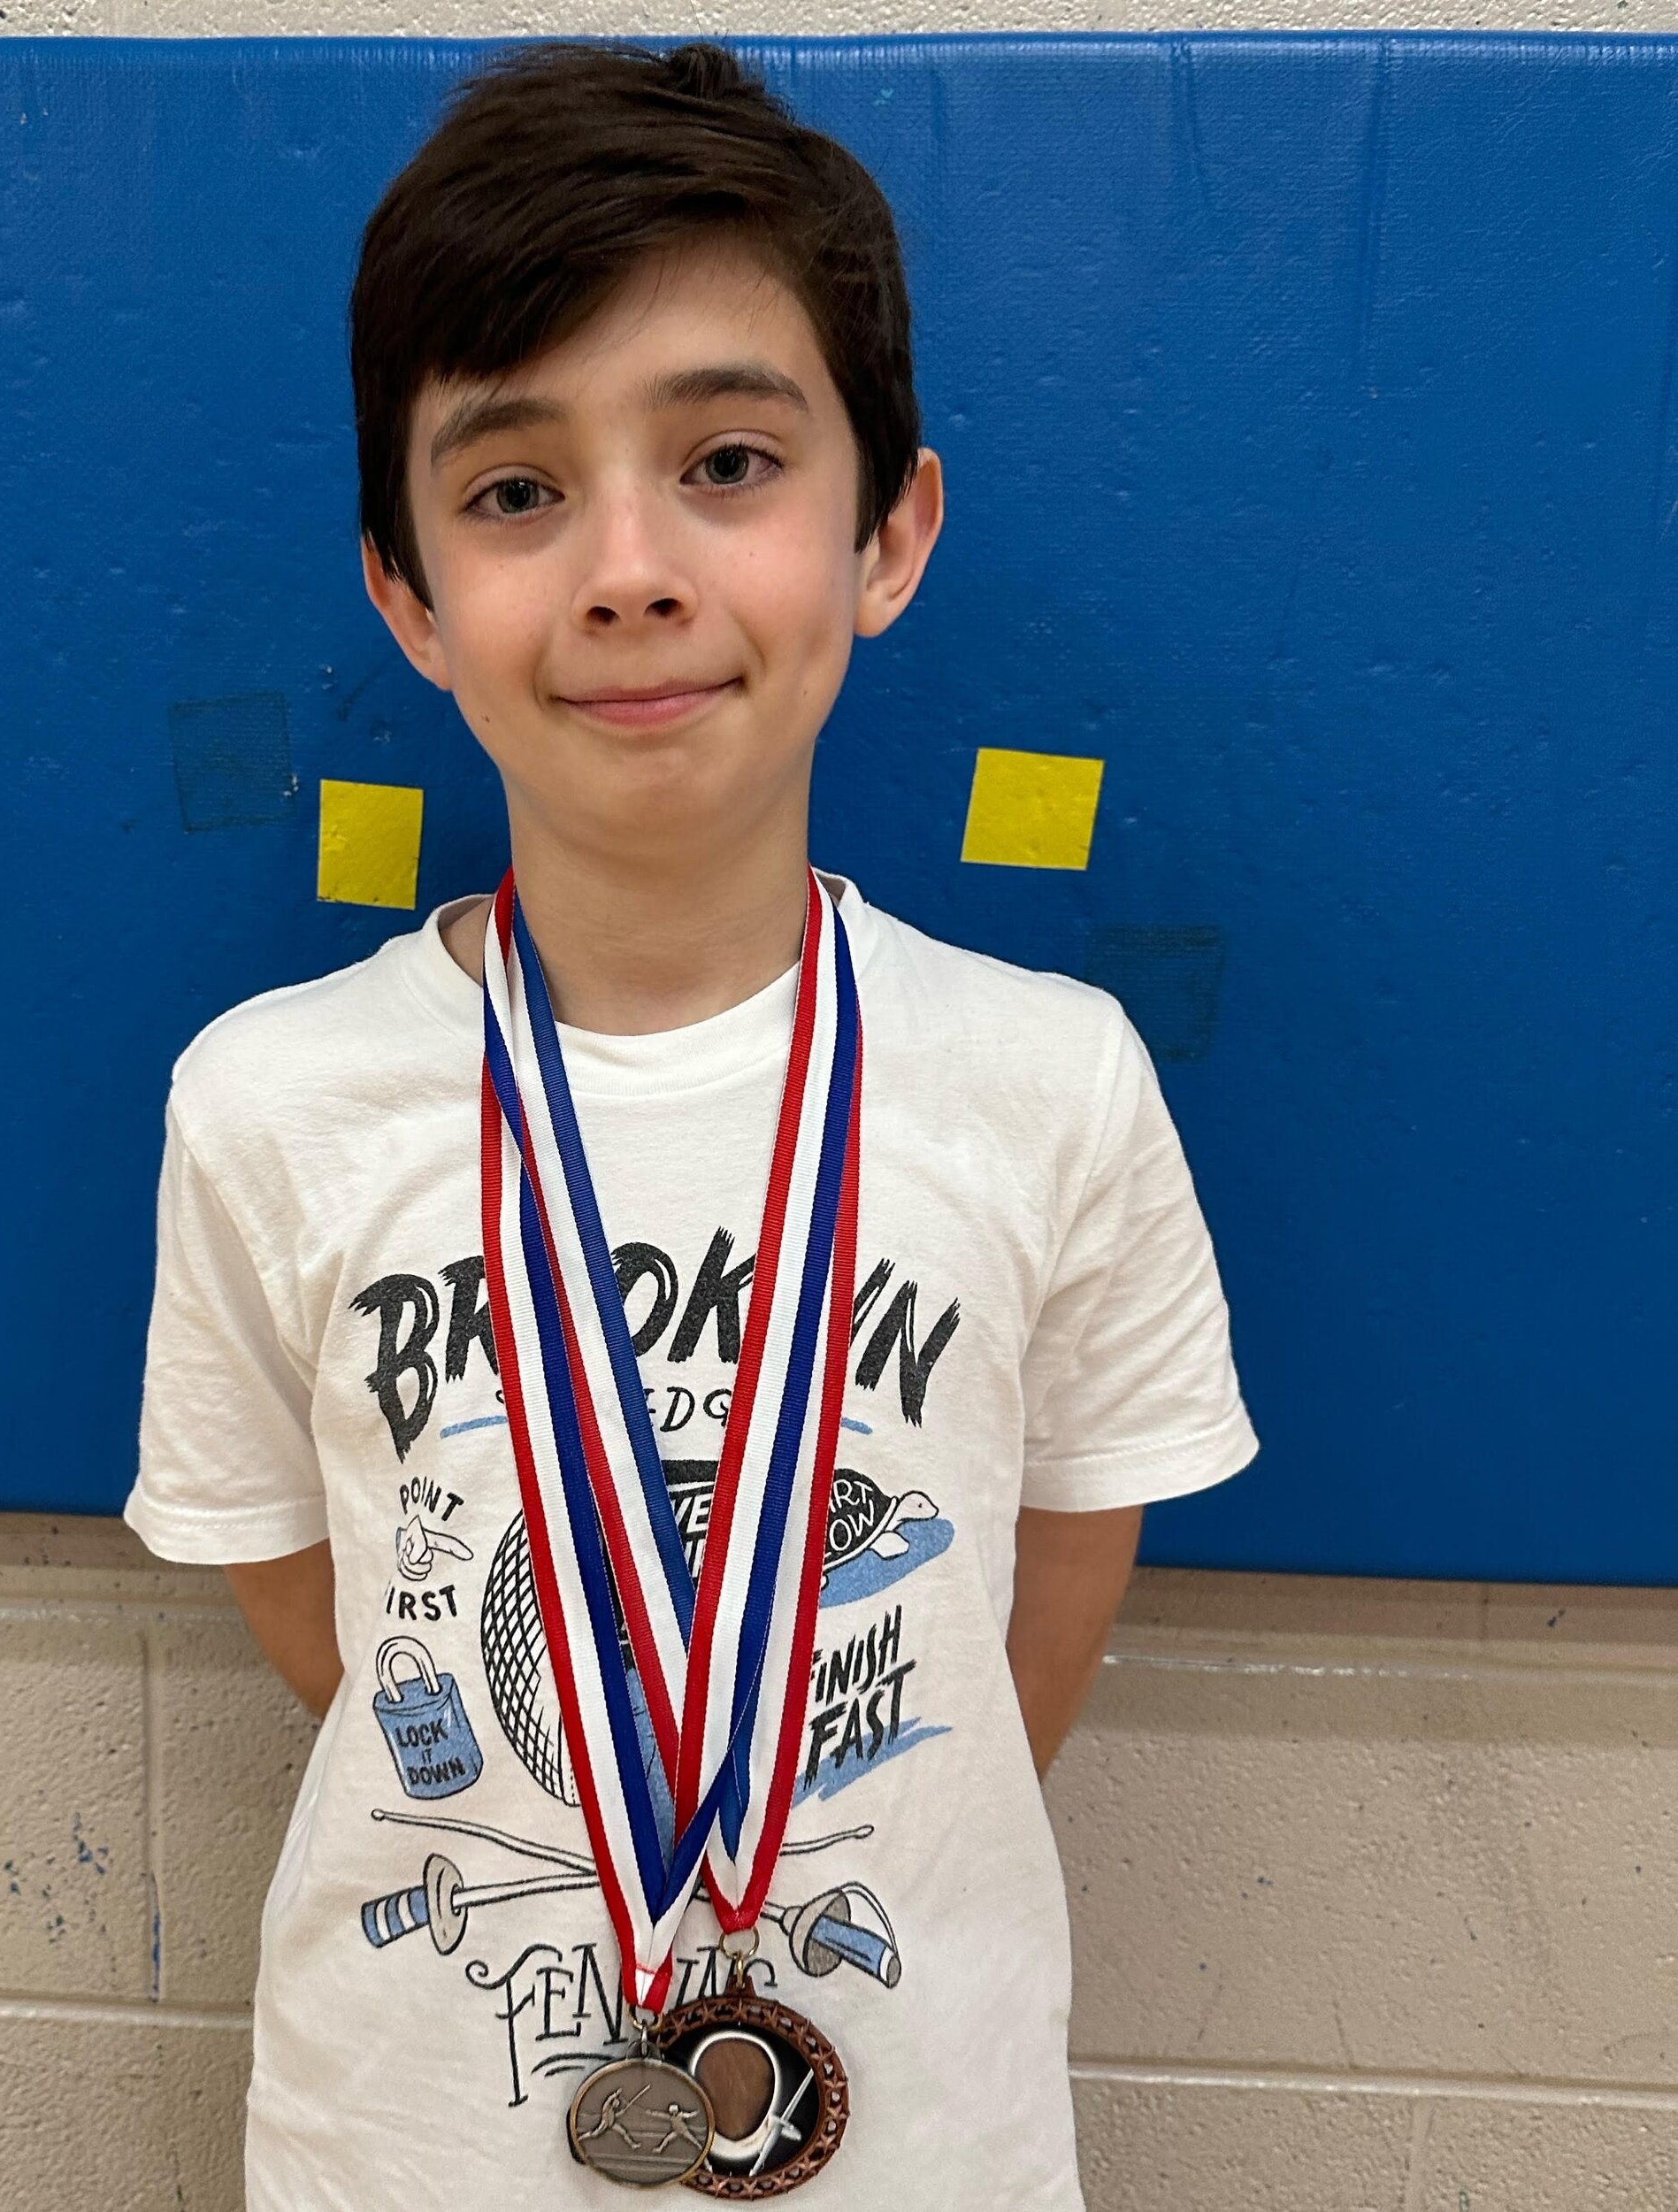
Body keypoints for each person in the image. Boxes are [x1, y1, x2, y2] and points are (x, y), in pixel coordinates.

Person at [123, 38, 1256, 2209]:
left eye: (726, 459)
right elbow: (316, 1605)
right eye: (516, 490)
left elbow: (1044, 1609)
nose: (627, 569)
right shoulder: (265, 1098)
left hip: (918, 2143)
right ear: (406, 593)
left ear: (886, 530)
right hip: (410, 2153)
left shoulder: (1047, 1079)